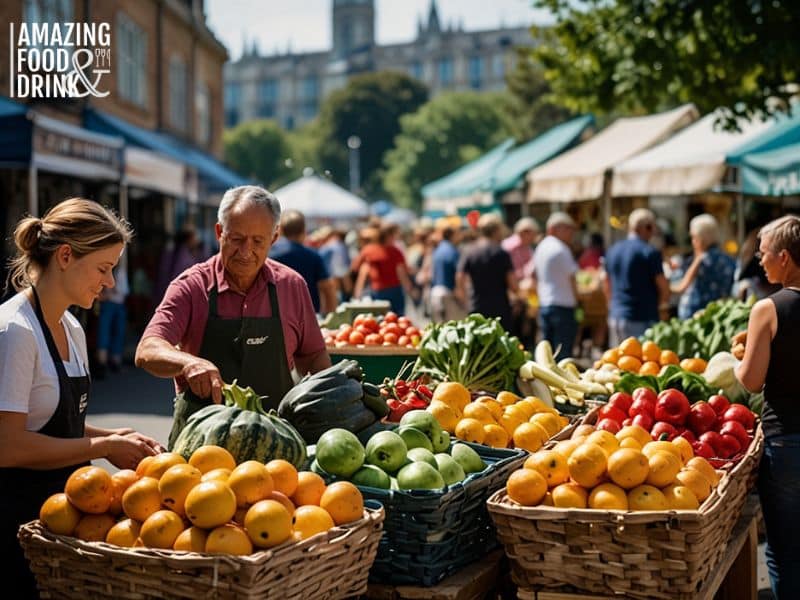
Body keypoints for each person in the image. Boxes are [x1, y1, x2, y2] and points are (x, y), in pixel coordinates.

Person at [0, 198, 162, 598]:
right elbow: (8, 445)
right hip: (16, 525)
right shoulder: (14, 333)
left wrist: (114, 435)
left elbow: (54, 418)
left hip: (63, 519)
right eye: (104, 268)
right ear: (66, 256)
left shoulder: (71, 325)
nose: (109, 282)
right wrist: (103, 444)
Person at [134, 186, 331, 447]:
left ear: (274, 238)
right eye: (237, 239)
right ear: (219, 232)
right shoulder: (191, 287)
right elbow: (147, 349)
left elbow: (314, 356)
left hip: (276, 446)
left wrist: (326, 407)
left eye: (258, 241)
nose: (246, 251)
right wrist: (188, 363)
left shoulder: (291, 286)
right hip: (201, 446)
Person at [733, 215, 800, 599]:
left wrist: (741, 355)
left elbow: (752, 381)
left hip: (788, 441)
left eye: (764, 254)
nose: (759, 260)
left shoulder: (768, 309)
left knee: (786, 554)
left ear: (785, 258)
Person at [604, 208, 670, 347]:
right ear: (647, 227)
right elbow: (663, 287)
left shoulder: (612, 250)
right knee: (638, 365)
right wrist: (662, 305)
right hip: (641, 317)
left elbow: (606, 282)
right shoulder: (649, 252)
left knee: (616, 363)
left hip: (616, 316)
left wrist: (613, 305)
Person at [456, 213, 517, 332]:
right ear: (496, 230)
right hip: (500, 309)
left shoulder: (469, 250)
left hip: (476, 308)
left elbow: (459, 277)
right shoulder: (501, 253)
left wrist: (464, 300)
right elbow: (513, 285)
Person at [269, 210, 337, 315]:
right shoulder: (313, 256)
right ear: (304, 231)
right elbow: (328, 287)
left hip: (274, 316)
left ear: (280, 230)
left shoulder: (268, 255)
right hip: (306, 317)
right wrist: (329, 316)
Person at [531, 212, 579, 357]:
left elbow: (534, 275)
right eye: (567, 228)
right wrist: (578, 301)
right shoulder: (561, 249)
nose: (571, 233)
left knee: (546, 353)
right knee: (562, 354)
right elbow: (572, 279)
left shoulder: (541, 247)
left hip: (545, 304)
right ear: (554, 229)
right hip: (562, 306)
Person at [671, 214, 736, 319]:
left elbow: (681, 287)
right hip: (718, 315)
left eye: (693, 237)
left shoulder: (701, 260)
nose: (692, 242)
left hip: (697, 317)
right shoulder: (728, 259)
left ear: (700, 238)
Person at [352, 222, 415, 315]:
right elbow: (401, 272)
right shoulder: (395, 251)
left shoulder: (368, 250)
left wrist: (358, 291)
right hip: (394, 290)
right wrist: (409, 288)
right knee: (397, 319)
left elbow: (357, 268)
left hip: (377, 290)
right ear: (389, 236)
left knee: (379, 320)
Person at [95, 265, 130, 378]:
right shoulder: (109, 269)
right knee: (105, 332)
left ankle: (113, 360)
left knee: (117, 333)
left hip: (117, 303)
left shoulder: (120, 270)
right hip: (109, 302)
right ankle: (102, 363)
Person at [154, 225, 202, 304]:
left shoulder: (169, 253)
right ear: (189, 239)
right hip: (176, 299)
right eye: (194, 237)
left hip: (164, 297)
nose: (196, 240)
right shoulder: (186, 258)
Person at [428, 226, 467, 322]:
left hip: (435, 293)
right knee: (456, 327)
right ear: (452, 235)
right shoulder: (453, 251)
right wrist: (462, 295)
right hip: (449, 294)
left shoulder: (438, 250)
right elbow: (458, 274)